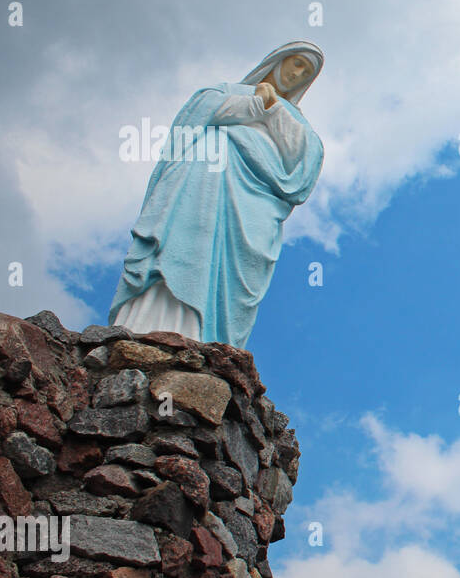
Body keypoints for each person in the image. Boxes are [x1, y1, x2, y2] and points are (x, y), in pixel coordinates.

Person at [110, 42, 325, 349]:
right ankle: (148, 327)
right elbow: (193, 119)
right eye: (295, 62)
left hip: (252, 207)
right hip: (198, 187)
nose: (297, 73)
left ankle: (208, 343)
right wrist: (251, 104)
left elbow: (303, 166)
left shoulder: (300, 125)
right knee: (179, 250)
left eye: (306, 71)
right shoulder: (226, 90)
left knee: (226, 277)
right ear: (277, 61)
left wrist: (272, 109)